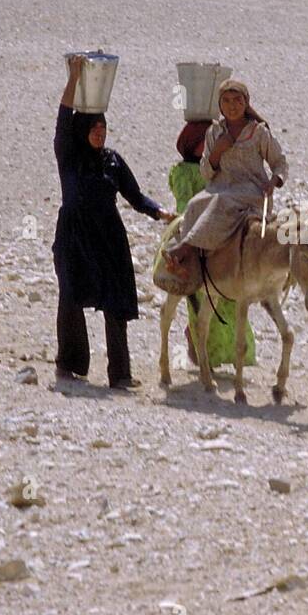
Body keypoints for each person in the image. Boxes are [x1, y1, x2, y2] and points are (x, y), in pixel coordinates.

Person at [52, 55, 174, 389]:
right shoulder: (69, 153)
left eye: (103, 128)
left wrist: (160, 212)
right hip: (75, 235)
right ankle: (70, 365)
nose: (98, 133)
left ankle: (120, 374)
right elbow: (63, 120)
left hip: (108, 236)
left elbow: (135, 197)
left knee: (117, 301)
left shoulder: (112, 160)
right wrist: (75, 77)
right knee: (71, 297)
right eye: (93, 128)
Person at [164, 80, 287, 277]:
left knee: (222, 200)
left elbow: (279, 162)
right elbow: (206, 173)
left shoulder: (258, 132)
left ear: (246, 102)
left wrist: (274, 182)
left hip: (253, 192)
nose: (232, 106)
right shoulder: (214, 132)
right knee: (195, 203)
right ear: (219, 105)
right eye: (226, 101)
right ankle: (191, 267)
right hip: (219, 188)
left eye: (237, 100)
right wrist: (218, 151)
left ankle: (184, 249)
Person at [163, 119, 256, 369]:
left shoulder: (223, 169)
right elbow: (185, 204)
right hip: (195, 233)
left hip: (221, 233)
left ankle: (233, 354)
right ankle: (203, 351)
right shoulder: (183, 172)